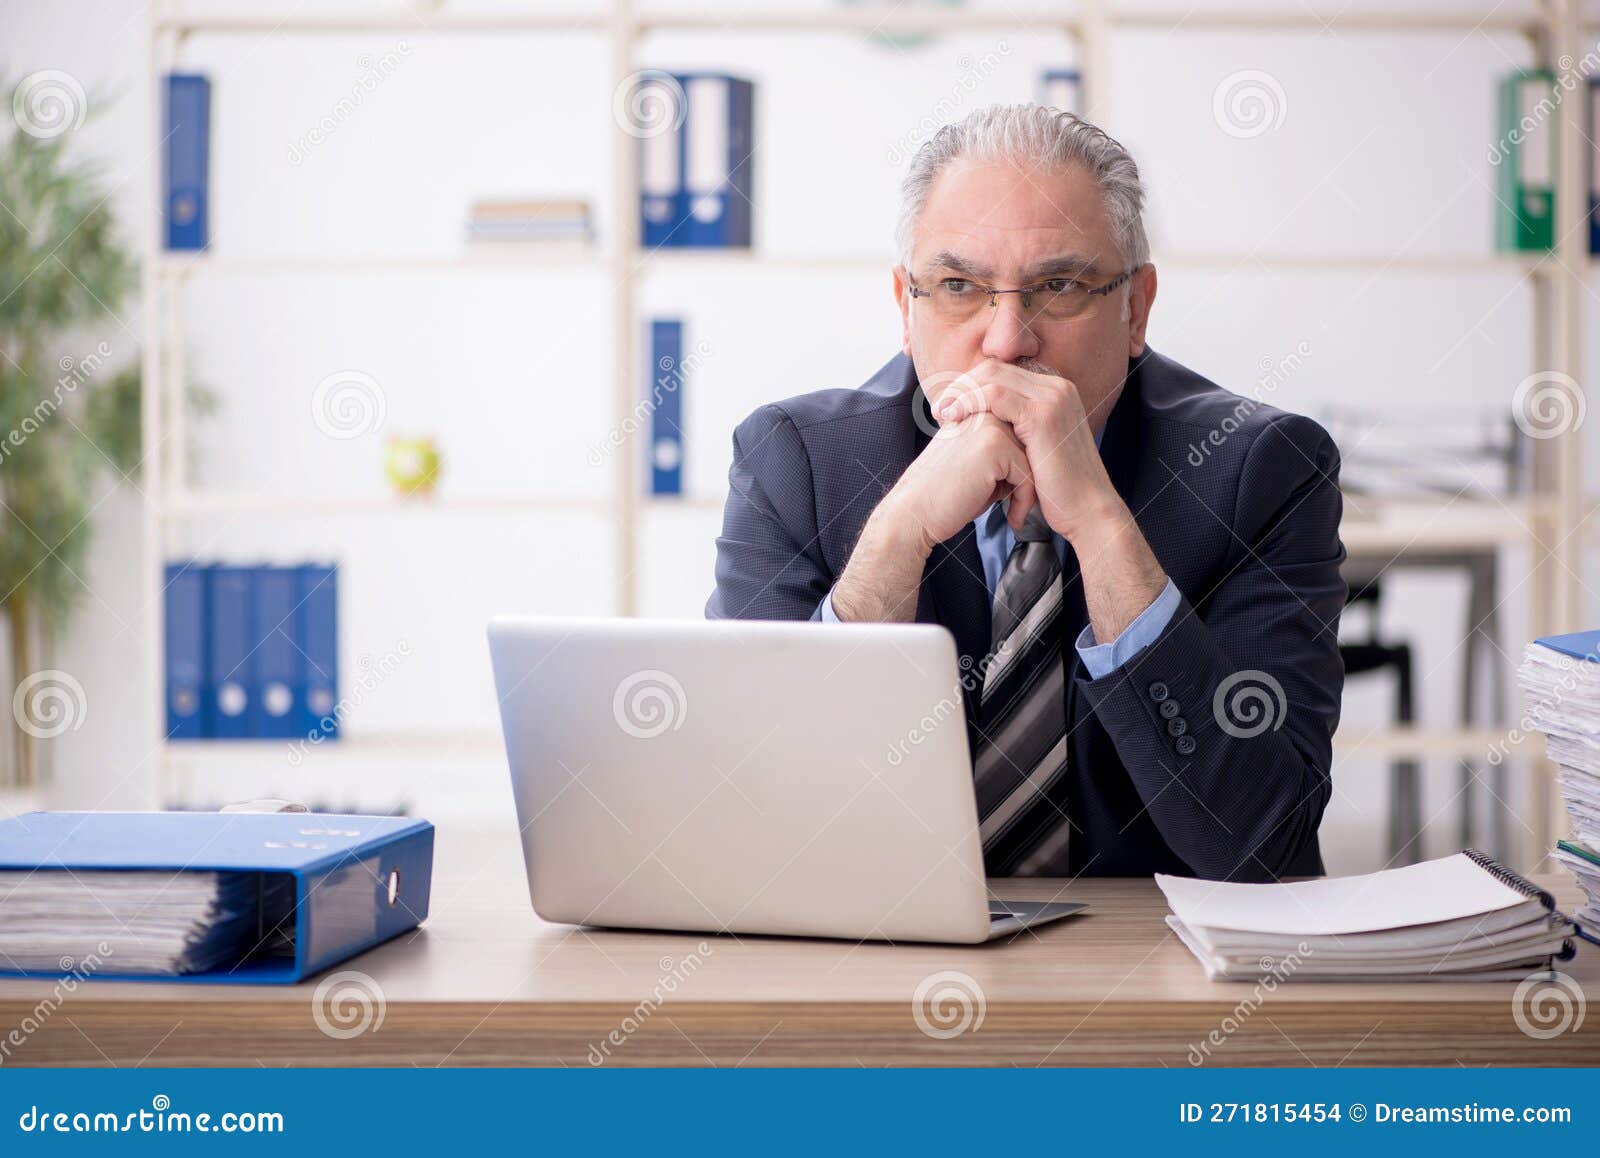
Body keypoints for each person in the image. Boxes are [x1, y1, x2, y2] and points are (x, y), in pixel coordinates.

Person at [707, 105, 1345, 882]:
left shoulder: (1261, 470)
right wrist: (897, 536)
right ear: (906, 308)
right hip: (870, 961)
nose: (1007, 340)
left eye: (1062, 285)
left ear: (1135, 308)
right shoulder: (796, 463)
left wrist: (1104, 528)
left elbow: (1262, 848)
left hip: (1152, 973)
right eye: (958, 286)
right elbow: (751, 820)